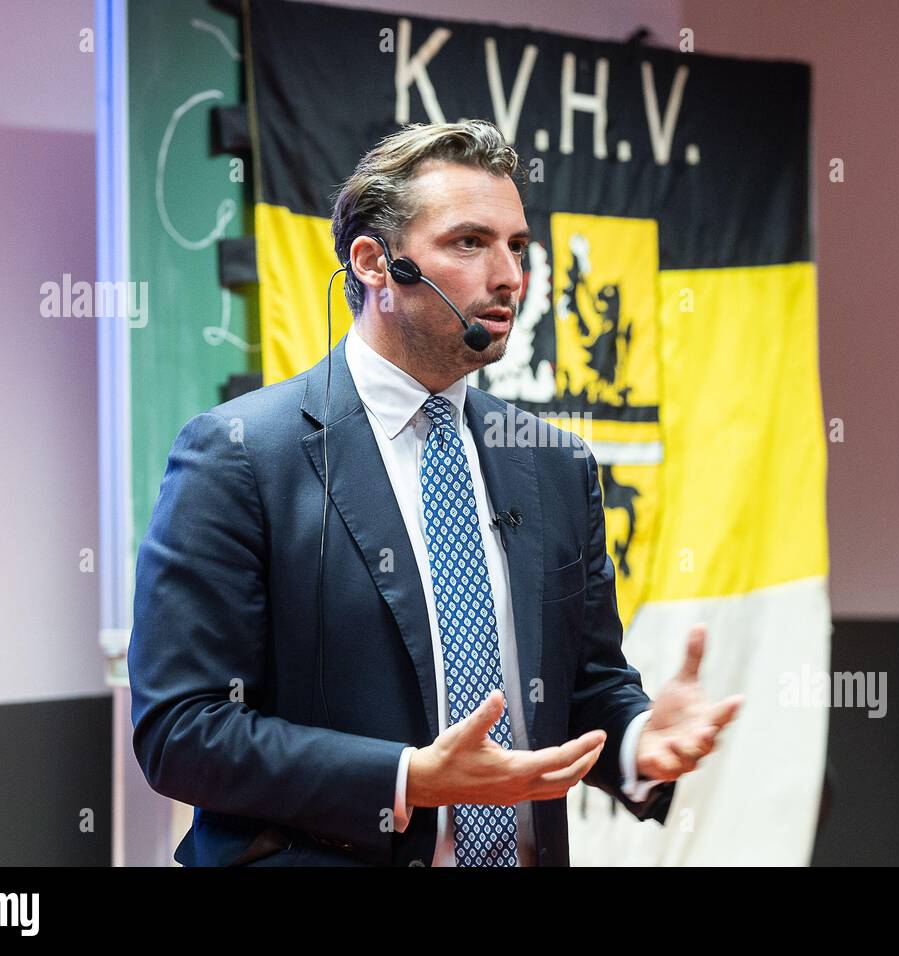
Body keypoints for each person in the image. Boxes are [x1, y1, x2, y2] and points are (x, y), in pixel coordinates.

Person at [128, 119, 743, 867]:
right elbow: (182, 732)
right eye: (470, 243)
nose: (510, 276)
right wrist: (407, 779)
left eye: (518, 246)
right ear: (375, 263)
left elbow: (585, 686)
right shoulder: (240, 456)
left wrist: (640, 738)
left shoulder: (555, 466)